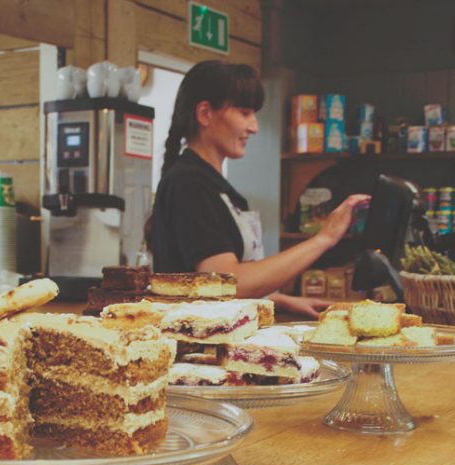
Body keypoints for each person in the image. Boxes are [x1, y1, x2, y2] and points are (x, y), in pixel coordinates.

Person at [147, 60, 369, 318]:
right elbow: (226, 284)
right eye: (244, 112)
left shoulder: (213, 185)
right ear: (205, 114)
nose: (254, 127)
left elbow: (218, 281)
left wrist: (280, 300)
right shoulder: (188, 183)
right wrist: (325, 238)